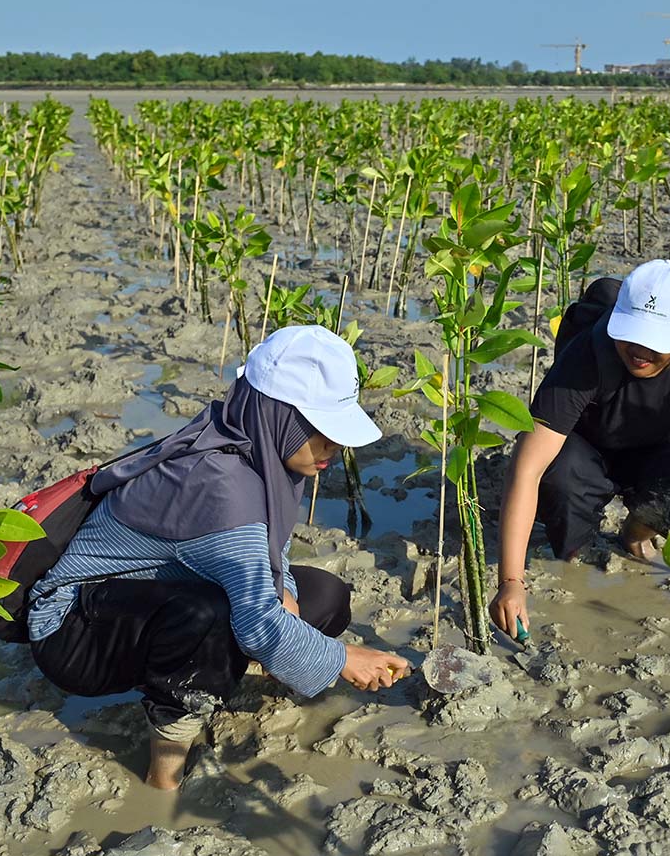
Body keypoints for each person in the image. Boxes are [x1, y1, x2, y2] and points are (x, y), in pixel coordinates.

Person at [27, 325, 411, 790]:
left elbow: (272, 546)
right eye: (321, 430)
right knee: (213, 616)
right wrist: (340, 658)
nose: (336, 446)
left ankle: (219, 673)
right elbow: (259, 621)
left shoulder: (248, 440)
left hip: (144, 602)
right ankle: (163, 774)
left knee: (324, 596)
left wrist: (285, 590)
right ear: (278, 416)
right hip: (74, 631)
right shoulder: (218, 485)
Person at [489, 261, 670, 639]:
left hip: (661, 453)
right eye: (631, 333)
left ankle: (636, 532)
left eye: (656, 341)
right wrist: (511, 581)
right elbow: (527, 469)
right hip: (586, 451)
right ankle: (576, 557)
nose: (639, 350)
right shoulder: (588, 354)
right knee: (560, 474)